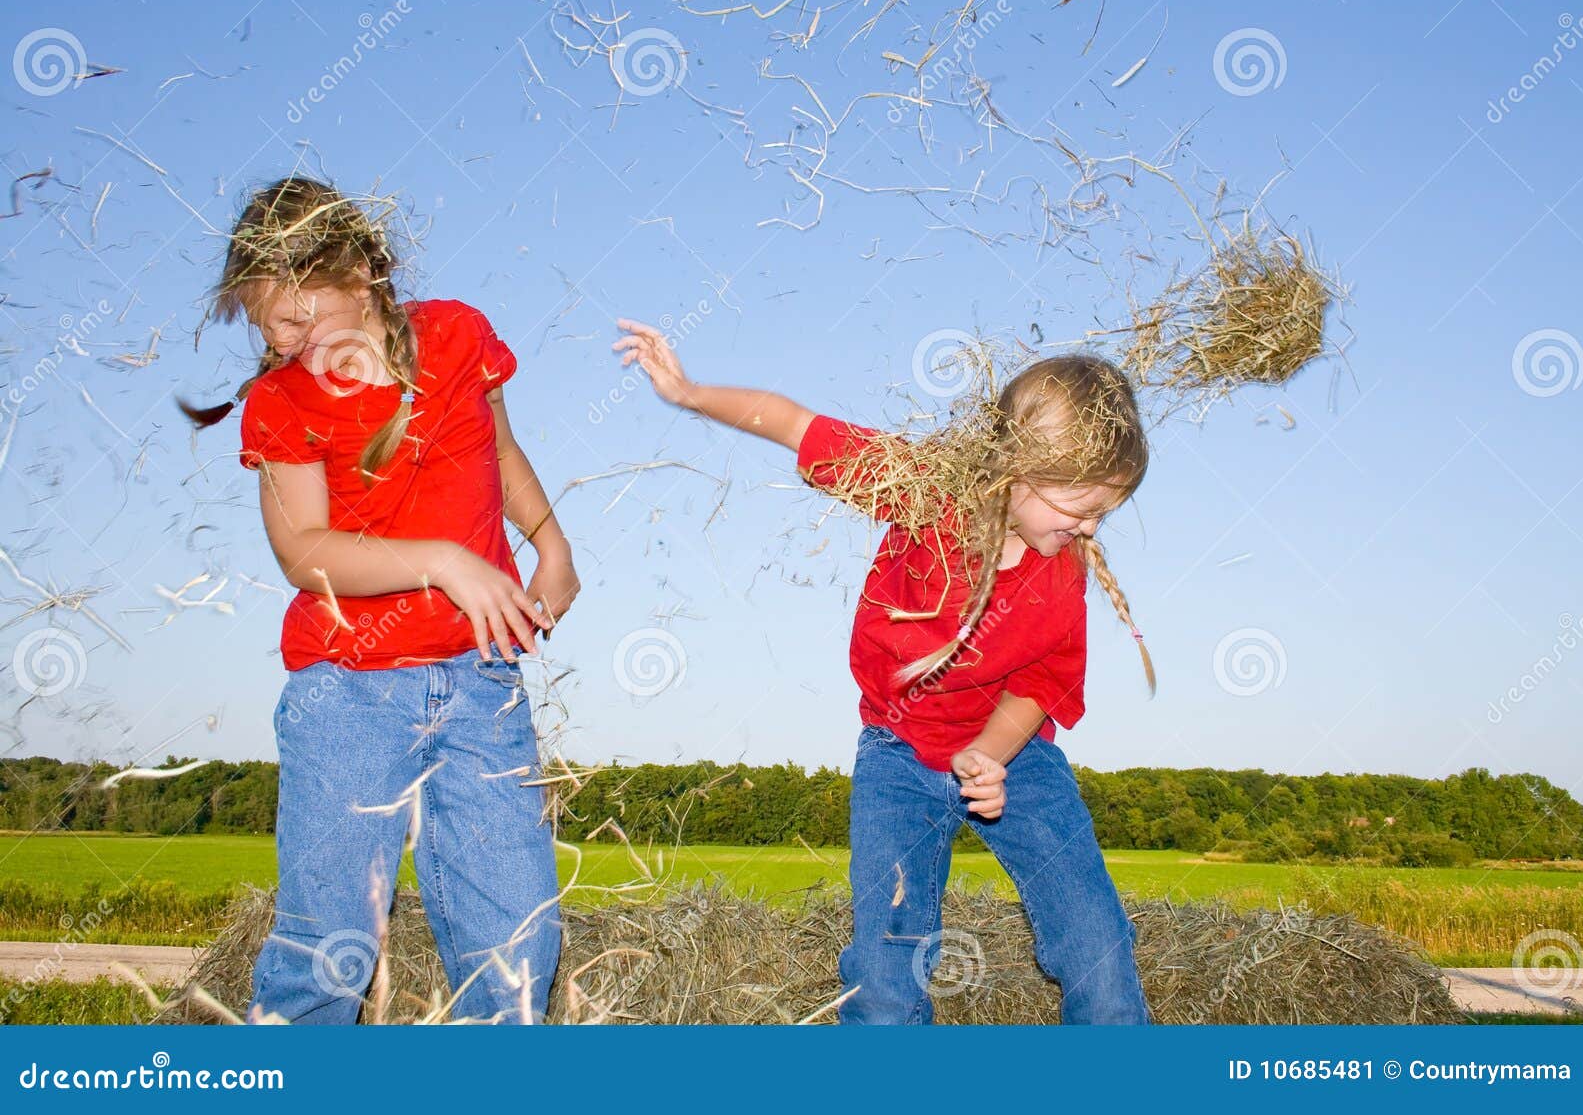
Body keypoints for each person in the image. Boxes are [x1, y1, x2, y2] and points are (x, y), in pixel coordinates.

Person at [610, 316, 1154, 1024]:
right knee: (886, 974)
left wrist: (990, 754)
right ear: (1017, 465)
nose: (1088, 530)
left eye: (1104, 516)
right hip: (899, 756)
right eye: (1082, 508)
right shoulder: (923, 491)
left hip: (1017, 758)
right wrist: (687, 391)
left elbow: (1041, 681)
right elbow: (794, 423)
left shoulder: (1063, 569)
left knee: (1099, 950)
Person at [180, 177, 579, 1023]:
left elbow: (500, 452)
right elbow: (305, 552)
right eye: (267, 327)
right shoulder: (282, 401)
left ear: (360, 272)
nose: (282, 342)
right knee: (330, 951)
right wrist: (442, 561)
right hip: (347, 692)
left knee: (517, 952)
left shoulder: (460, 336)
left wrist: (553, 543)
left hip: (483, 682)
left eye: (294, 315)